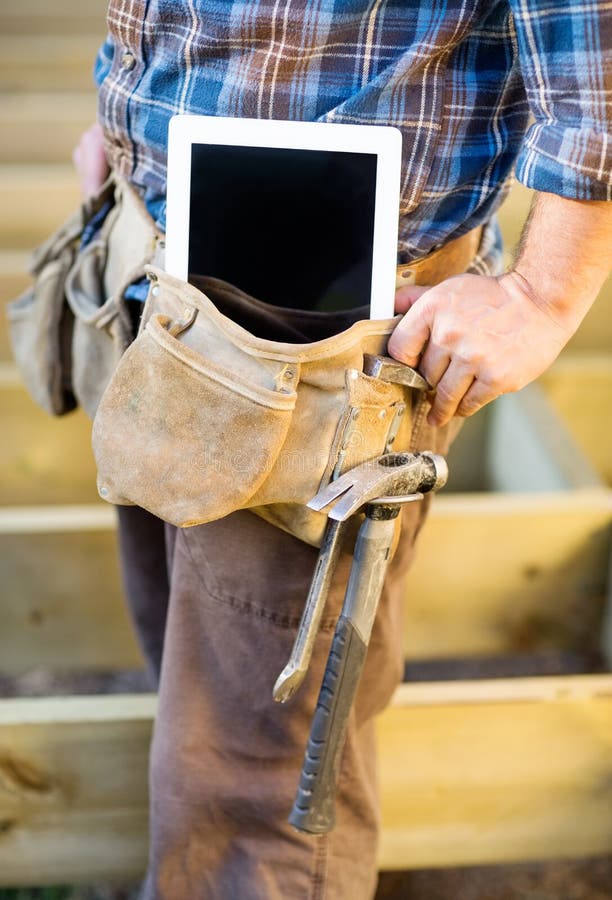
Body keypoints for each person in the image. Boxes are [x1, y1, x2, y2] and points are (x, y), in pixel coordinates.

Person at [72, 2, 611, 897]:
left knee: (258, 785)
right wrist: (125, 110)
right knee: (195, 689)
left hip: (316, 341)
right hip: (160, 263)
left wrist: (545, 295)